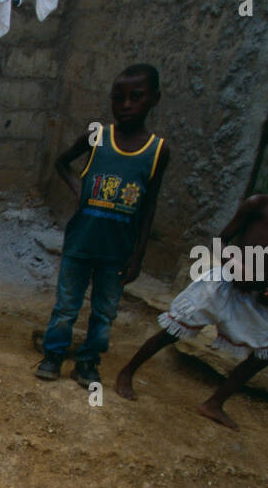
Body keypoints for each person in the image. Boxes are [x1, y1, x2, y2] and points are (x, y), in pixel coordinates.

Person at [115, 131, 268, 429]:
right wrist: (236, 265)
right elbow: (220, 241)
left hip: (255, 297)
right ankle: (127, 371)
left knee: (264, 353)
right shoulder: (259, 205)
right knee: (174, 330)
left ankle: (214, 402)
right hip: (222, 284)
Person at [35, 63, 172, 389]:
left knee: (104, 313)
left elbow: (149, 206)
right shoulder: (98, 136)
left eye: (135, 97)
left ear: (154, 99)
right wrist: (78, 188)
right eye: (118, 98)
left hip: (117, 252)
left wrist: (138, 256)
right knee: (66, 306)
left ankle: (87, 362)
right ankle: (53, 355)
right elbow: (61, 162)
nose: (125, 105)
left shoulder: (157, 151)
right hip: (80, 244)